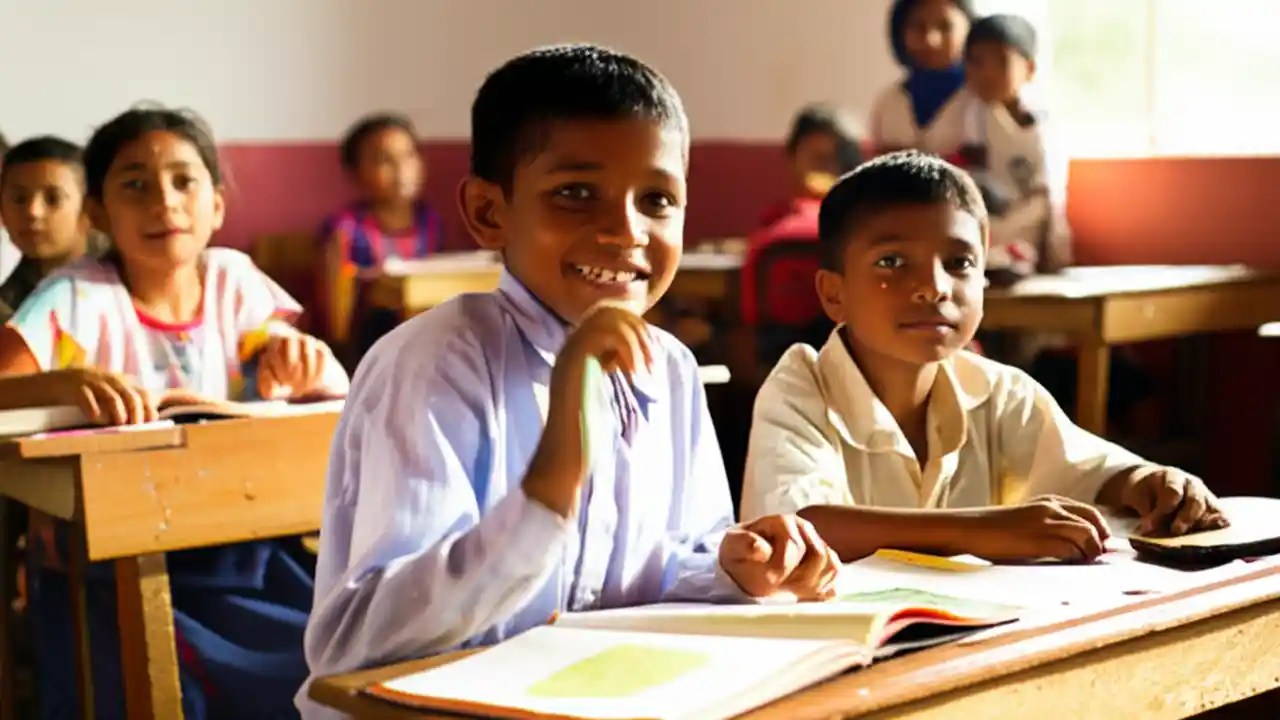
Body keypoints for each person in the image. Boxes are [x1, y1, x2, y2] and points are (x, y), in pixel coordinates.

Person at [301, 43, 841, 718]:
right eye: (575, 194)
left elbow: (655, 572)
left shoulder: (669, 368)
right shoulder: (434, 365)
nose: (625, 230)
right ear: (490, 213)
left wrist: (732, 567)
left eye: (657, 199)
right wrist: (550, 484)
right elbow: (358, 645)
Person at [0, 107, 349, 719]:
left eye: (184, 181)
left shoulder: (235, 283)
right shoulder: (75, 298)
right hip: (108, 564)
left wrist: (300, 357)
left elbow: (285, 361)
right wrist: (65, 381)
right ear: (98, 214)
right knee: (152, 690)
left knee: (327, 656)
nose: (164, 201)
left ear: (216, 205)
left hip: (245, 549)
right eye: (134, 184)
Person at [740, 151, 1226, 562]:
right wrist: (981, 531)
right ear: (833, 294)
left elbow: (1092, 469)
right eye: (892, 262)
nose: (934, 288)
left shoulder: (997, 391)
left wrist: (1154, 481)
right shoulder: (801, 387)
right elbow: (798, 525)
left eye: (959, 263)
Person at [318, 113, 443, 359]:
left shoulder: (429, 222)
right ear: (355, 174)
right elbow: (336, 319)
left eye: (408, 156)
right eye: (385, 160)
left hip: (424, 338)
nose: (401, 170)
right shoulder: (345, 230)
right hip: (370, 347)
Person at [959, 13, 1069, 276]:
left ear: (1029, 69)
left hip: (1030, 219)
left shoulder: (1041, 124)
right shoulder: (970, 115)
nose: (988, 73)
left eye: (1001, 62)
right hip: (986, 215)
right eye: (976, 62)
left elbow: (1047, 195)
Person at [0, 136, 99, 323]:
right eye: (19, 199)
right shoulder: (8, 311)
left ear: (89, 208)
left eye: (53, 199)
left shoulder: (132, 283)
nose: (33, 212)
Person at [869, 0, 977, 158]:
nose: (931, 40)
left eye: (944, 27)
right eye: (919, 28)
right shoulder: (888, 102)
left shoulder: (980, 101)